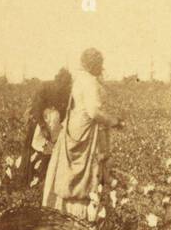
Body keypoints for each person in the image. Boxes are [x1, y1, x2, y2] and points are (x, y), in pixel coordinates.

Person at [42, 48, 123, 218]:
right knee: (85, 174)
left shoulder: (80, 79)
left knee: (70, 172)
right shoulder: (90, 82)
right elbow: (93, 111)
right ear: (95, 64)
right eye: (100, 63)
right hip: (85, 131)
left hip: (74, 128)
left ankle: (65, 214)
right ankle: (81, 216)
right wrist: (114, 122)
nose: (101, 67)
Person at [22, 68, 72, 187]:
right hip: (40, 122)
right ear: (57, 80)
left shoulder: (66, 92)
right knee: (35, 149)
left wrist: (60, 127)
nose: (64, 86)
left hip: (54, 124)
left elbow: (65, 112)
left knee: (51, 151)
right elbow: (36, 108)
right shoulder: (45, 87)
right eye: (62, 83)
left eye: (66, 84)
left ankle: (44, 178)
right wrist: (43, 127)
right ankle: (29, 178)